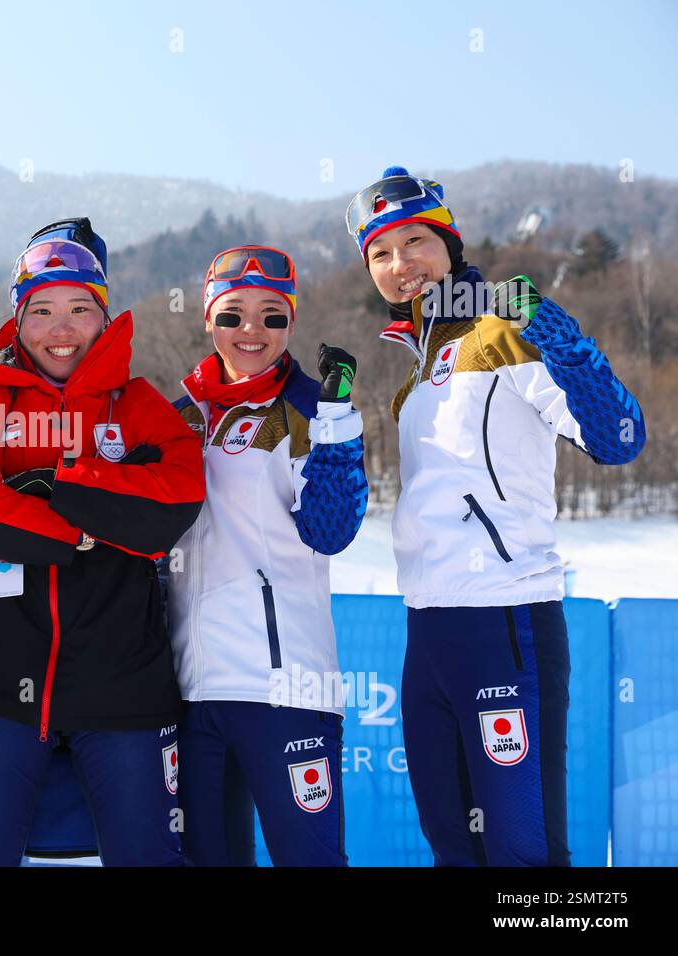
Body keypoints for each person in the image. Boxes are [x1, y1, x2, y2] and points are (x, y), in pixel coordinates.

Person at [347, 165, 646, 866]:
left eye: (416, 241)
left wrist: (546, 320)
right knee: (454, 841)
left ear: (451, 244)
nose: (401, 264)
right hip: (427, 628)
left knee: (523, 853)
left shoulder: (500, 331)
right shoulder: (420, 366)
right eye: (381, 254)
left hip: (505, 619)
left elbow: (618, 437)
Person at [0, 217, 206, 866]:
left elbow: (177, 499)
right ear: (18, 320)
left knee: (149, 857)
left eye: (80, 308)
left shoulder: (136, 404)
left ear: (103, 316)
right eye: (41, 310)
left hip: (122, 683)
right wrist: (97, 525)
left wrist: (61, 483)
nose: (62, 328)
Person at [167, 245, 367, 866]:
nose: (251, 330)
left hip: (285, 687)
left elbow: (331, 529)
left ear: (291, 322)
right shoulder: (180, 417)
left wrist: (337, 422)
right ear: (207, 319)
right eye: (232, 315)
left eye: (272, 316)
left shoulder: (311, 410)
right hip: (191, 691)